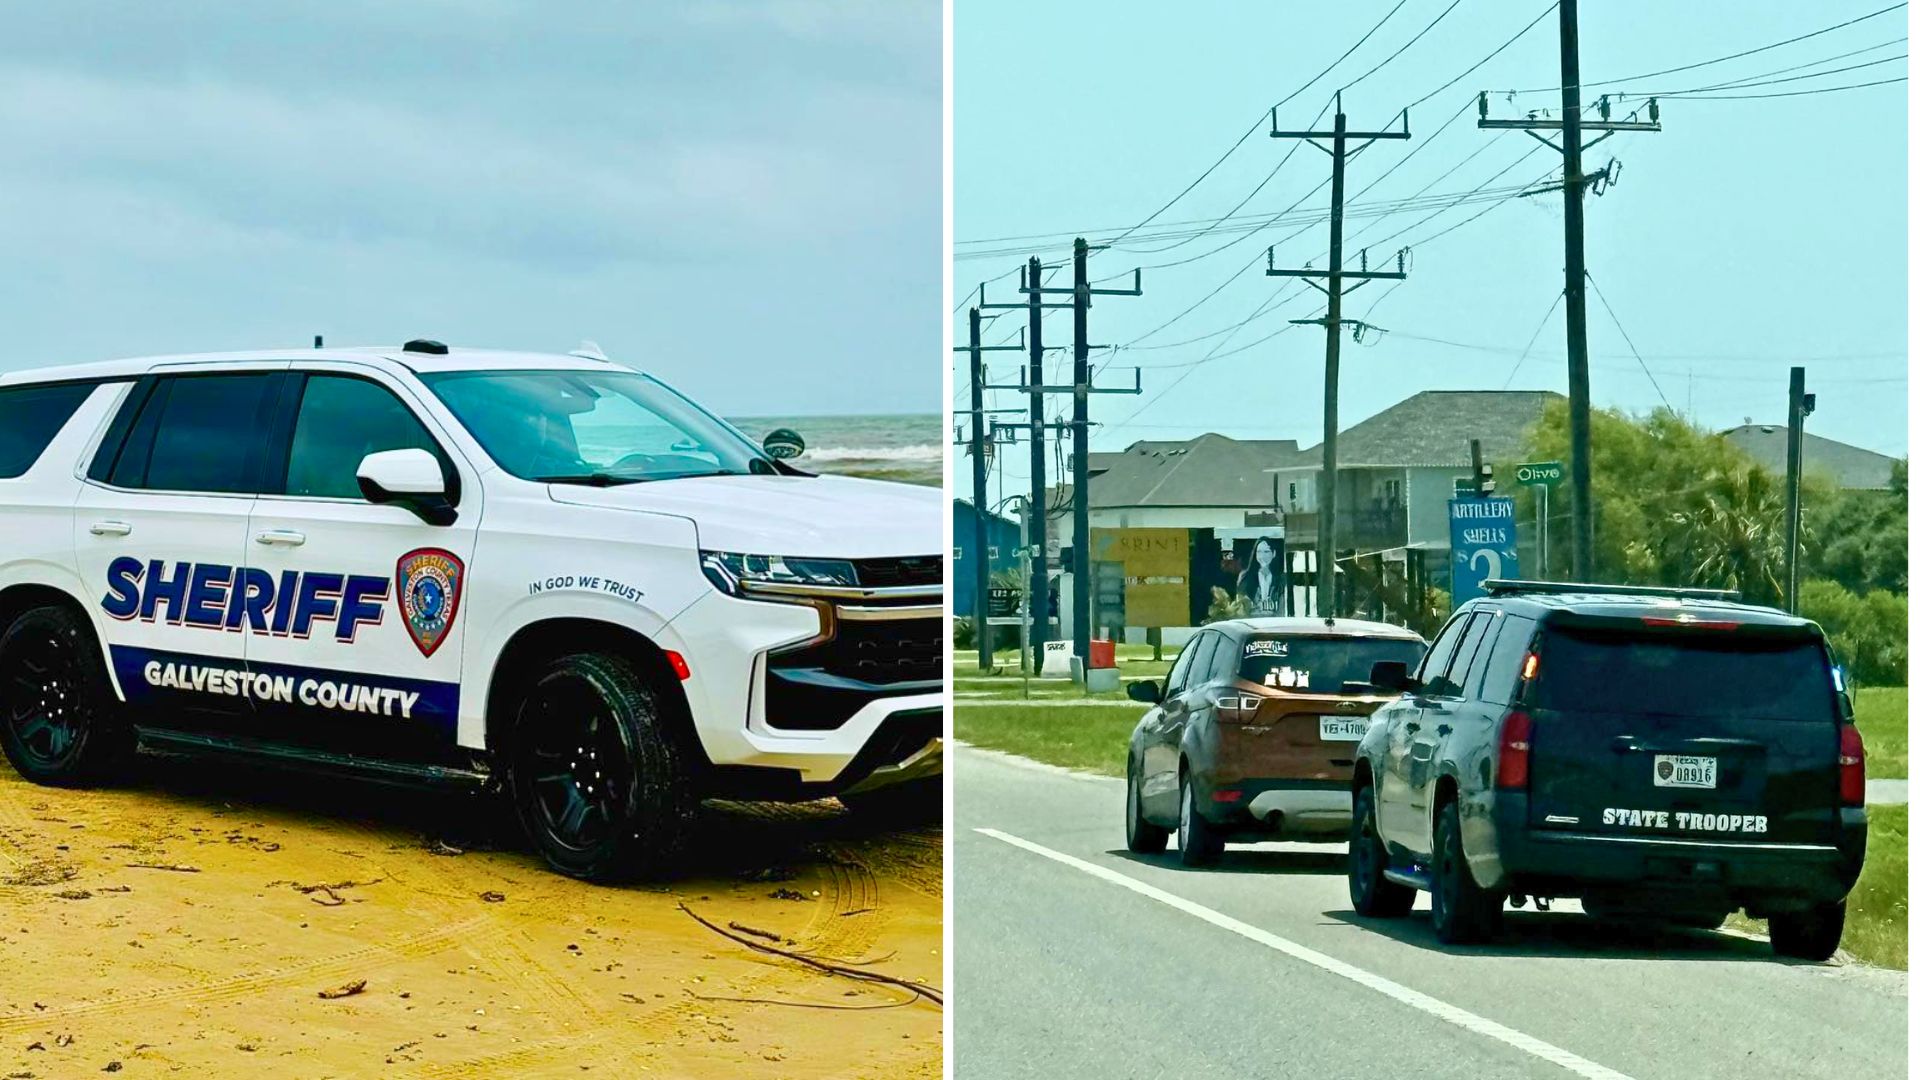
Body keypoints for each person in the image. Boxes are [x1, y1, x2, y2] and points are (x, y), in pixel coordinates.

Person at [1235, 537, 1285, 617]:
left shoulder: (1281, 578)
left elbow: (1283, 608)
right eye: (1259, 552)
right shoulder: (1246, 577)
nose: (1262, 556)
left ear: (1274, 553)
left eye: (1266, 552)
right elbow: (1241, 606)